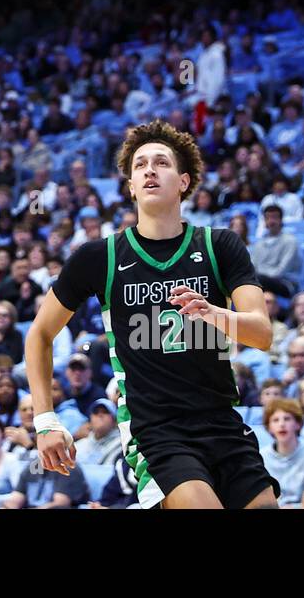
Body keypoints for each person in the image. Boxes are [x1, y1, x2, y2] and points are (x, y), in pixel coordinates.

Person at [28, 120, 279, 508]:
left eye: (161, 162)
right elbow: (40, 335)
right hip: (155, 430)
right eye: (140, 165)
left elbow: (262, 335)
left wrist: (213, 313)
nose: (149, 170)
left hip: (222, 421)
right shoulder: (100, 257)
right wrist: (45, 421)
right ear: (130, 186)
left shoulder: (220, 245)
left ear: (183, 181)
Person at [262, 398, 304, 507]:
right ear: (269, 427)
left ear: (298, 424)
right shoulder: (261, 457)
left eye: (287, 419)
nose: (282, 424)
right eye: (275, 420)